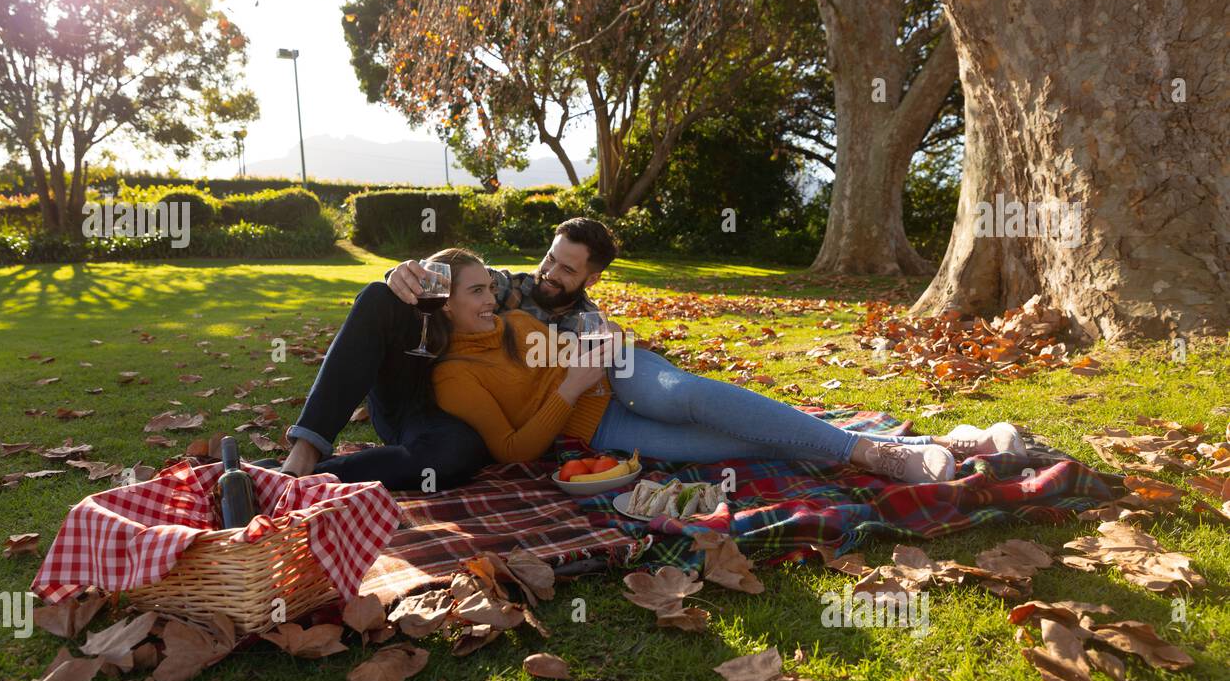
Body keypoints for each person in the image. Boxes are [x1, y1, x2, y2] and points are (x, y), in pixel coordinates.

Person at [424, 247, 1029, 484]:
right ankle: (951, 444)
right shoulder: (453, 376)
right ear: (444, 304)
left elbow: (555, 344)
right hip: (596, 426)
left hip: (621, 372)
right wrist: (570, 388)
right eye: (477, 291)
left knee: (687, 395)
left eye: (488, 287)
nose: (494, 296)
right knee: (736, 442)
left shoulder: (505, 321)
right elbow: (512, 450)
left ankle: (876, 455)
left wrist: (595, 350)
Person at [253, 218, 620, 490]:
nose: (549, 273)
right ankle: (305, 451)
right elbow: (444, 272)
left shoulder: (584, 326)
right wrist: (403, 273)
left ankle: (307, 480)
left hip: (461, 411)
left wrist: (614, 346)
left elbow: (573, 388)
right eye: (550, 258)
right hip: (411, 380)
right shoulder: (510, 284)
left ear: (591, 279)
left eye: (567, 269)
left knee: (456, 457)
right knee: (379, 296)